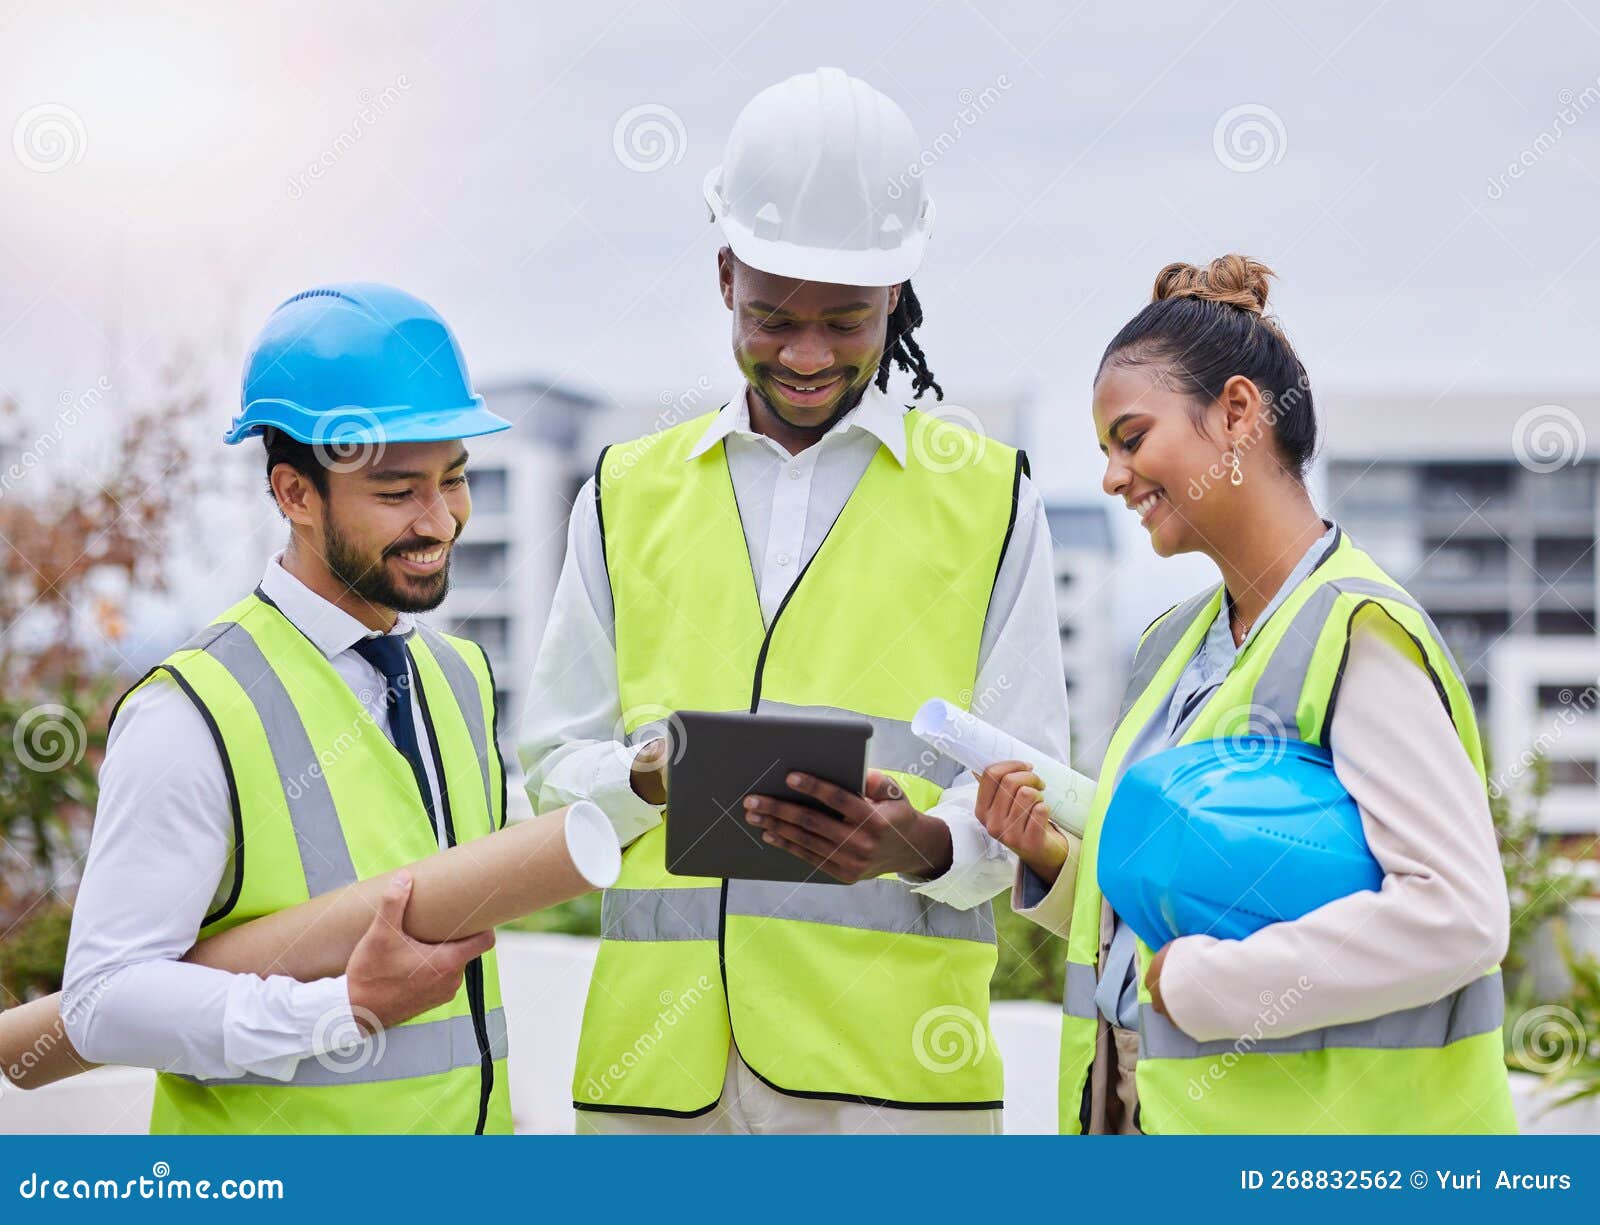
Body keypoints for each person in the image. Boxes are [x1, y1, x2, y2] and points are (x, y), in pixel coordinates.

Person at [521, 68, 1070, 1134]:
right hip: (655, 1092)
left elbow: (1025, 794)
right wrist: (642, 777)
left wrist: (913, 845)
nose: (807, 356)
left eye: (846, 321)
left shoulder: (989, 499)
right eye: (773, 317)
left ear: (897, 300)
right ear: (723, 273)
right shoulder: (626, 492)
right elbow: (548, 768)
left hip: (890, 1098)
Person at [977, 255, 1515, 1134]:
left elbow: (1458, 915)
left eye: (1131, 436)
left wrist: (1204, 987)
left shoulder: (1356, 632)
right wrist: (1054, 859)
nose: (1113, 476)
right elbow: (1196, 900)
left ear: (1235, 413)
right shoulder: (1168, 649)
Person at [62, 282, 519, 1134]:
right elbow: (100, 999)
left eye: (454, 480)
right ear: (295, 493)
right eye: (396, 491)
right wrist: (339, 1009)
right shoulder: (190, 714)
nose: (441, 521)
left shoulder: (458, 676)